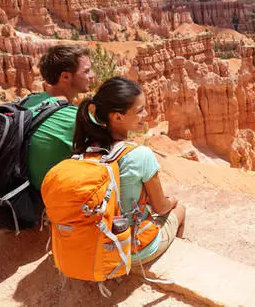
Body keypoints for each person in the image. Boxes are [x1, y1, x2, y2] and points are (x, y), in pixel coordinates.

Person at [73, 76, 186, 266]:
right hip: (131, 248)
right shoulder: (141, 155)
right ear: (117, 117)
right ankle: (177, 260)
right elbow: (161, 207)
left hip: (97, 243)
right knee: (180, 210)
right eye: (140, 111)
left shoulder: (86, 150)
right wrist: (173, 201)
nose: (146, 114)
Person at [21, 44, 94, 190]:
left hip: (20, 191)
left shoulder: (29, 100)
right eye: (86, 71)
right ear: (65, 76)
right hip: (47, 203)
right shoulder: (76, 119)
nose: (92, 75)